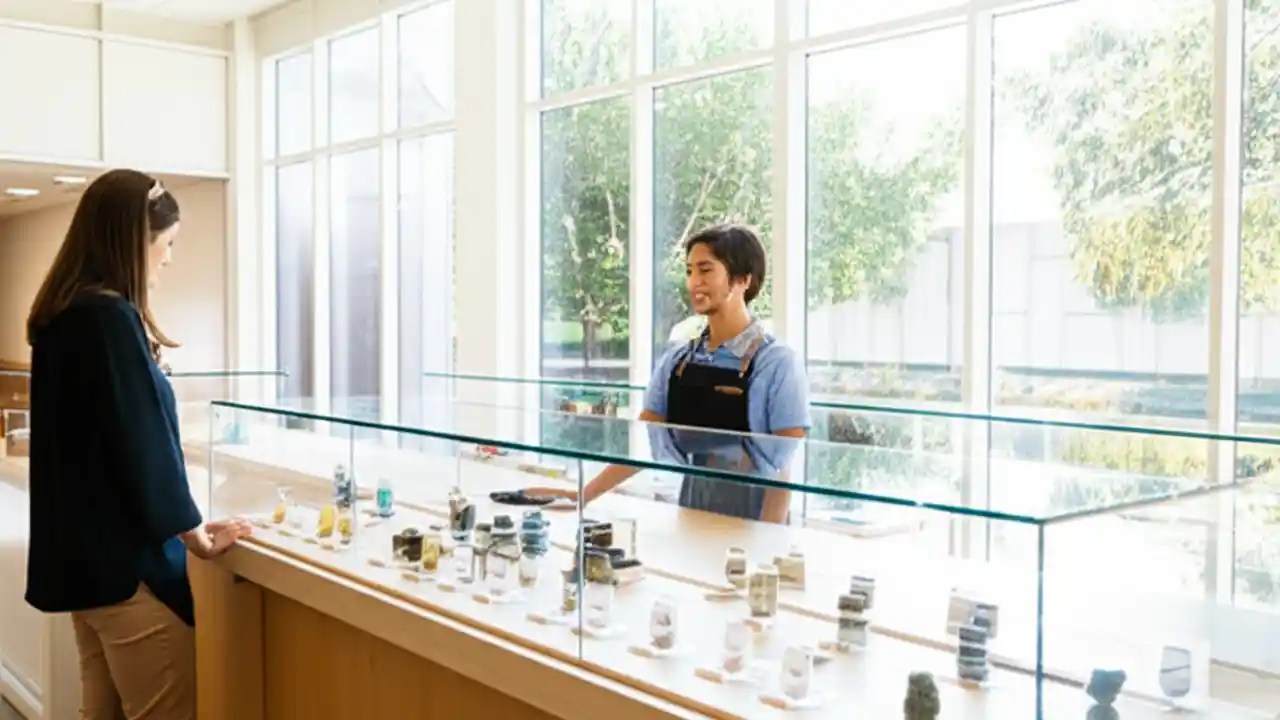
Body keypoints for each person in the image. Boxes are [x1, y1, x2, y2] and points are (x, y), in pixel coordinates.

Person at [24, 169, 252, 720]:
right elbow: (142, 445)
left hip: (84, 571)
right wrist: (195, 534)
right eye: (166, 244)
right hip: (130, 576)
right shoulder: (108, 319)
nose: (168, 259)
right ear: (134, 241)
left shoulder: (61, 315)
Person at [530, 223, 809, 523]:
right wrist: (582, 495)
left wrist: (767, 547)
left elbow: (783, 469)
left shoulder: (778, 363)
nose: (693, 283)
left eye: (705, 270)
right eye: (689, 271)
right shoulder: (677, 361)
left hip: (755, 519)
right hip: (691, 508)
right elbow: (642, 444)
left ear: (742, 279)